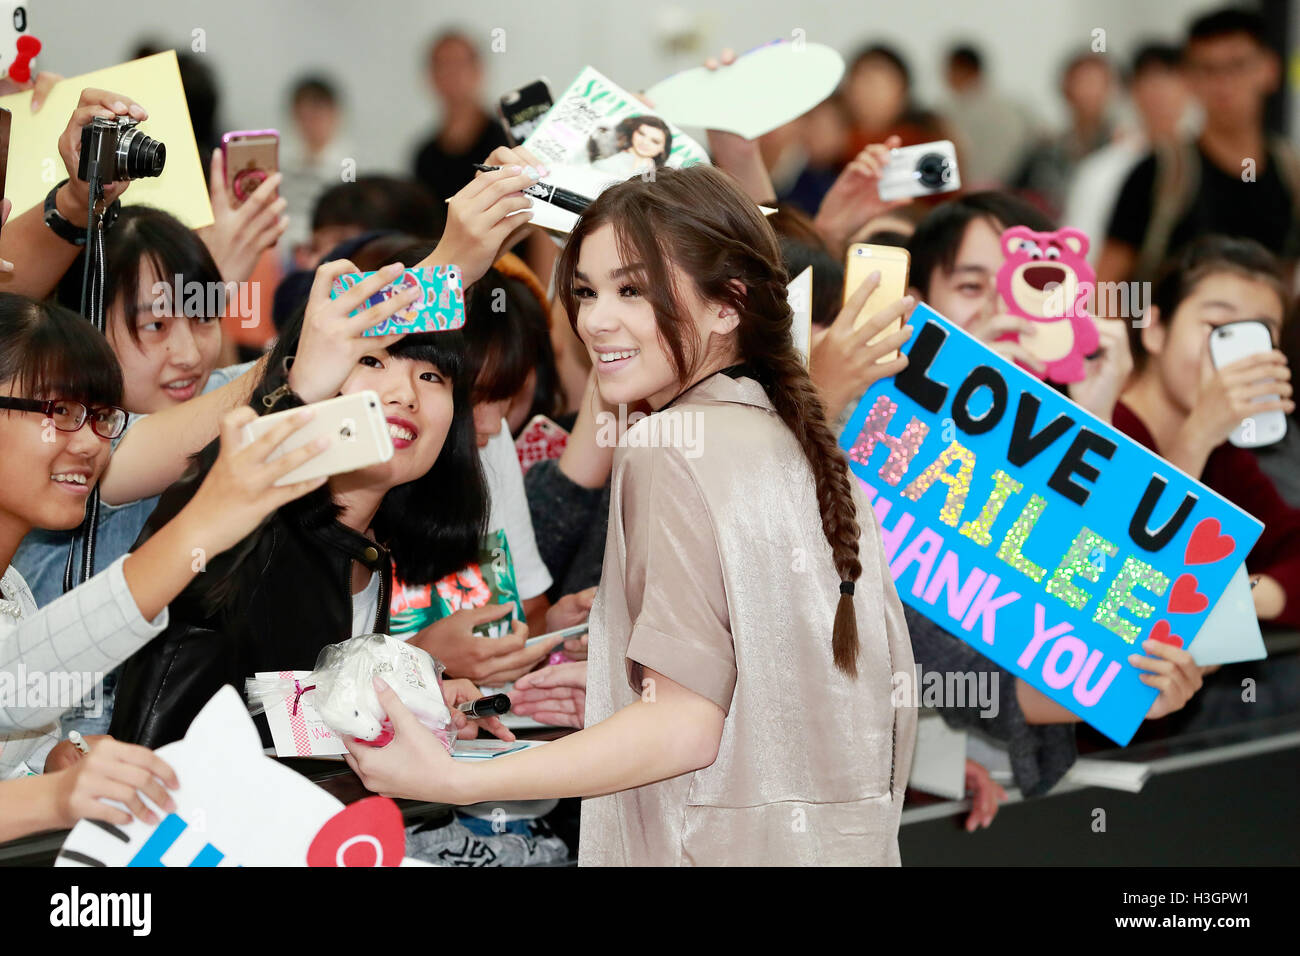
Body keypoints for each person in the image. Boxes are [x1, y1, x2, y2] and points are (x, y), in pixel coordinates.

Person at [344, 163, 918, 867]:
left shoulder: (667, 446)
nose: (595, 319)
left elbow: (683, 729)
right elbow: (798, 692)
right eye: (585, 292)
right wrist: (624, 680)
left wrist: (457, 775)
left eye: (632, 289)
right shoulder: (796, 439)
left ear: (728, 304)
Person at [0, 292, 328, 786]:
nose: (90, 443)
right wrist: (203, 523)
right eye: (61, 410)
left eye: (103, 416)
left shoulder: (12, 590)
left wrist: (50, 758)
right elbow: (14, 687)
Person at [1117, 235, 1299, 625]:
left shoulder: (1227, 456)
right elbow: (1121, 577)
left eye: (1261, 334)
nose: (1237, 358)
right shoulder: (1105, 425)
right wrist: (1197, 436)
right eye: (1217, 326)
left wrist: (1235, 600)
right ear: (1155, 331)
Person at [1098, 7, 1300, 287]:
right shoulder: (1159, 173)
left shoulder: (1290, 174)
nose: (1223, 84)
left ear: (1269, 69)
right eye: (1207, 69)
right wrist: (1142, 326)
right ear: (1189, 78)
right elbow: (1108, 283)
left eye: (1238, 65)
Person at [1063, 44, 1193, 266]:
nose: (1160, 95)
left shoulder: (1202, 164)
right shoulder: (1101, 171)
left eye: (1170, 81)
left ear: (1191, 88)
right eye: (1149, 83)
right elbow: (1079, 252)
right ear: (1132, 91)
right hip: (1125, 293)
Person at [1011, 51, 1117, 218]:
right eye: (1083, 82)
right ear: (1066, 88)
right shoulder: (1044, 149)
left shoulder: (1121, 148)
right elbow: (1017, 194)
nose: (1090, 92)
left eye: (1098, 83)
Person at [411, 31, 509, 202]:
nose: (451, 74)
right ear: (430, 76)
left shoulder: (506, 143)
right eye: (442, 65)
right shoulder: (425, 156)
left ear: (478, 71)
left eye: (459, 64)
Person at [938, 43, 1040, 188]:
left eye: (951, 70)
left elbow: (1003, 160)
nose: (946, 77)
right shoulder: (950, 109)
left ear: (968, 70)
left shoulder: (1001, 110)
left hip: (992, 187)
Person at [589, 115, 672, 179]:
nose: (645, 142)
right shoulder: (614, 155)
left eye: (655, 141)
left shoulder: (652, 168)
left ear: (663, 148)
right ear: (633, 132)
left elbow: (646, 191)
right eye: (641, 134)